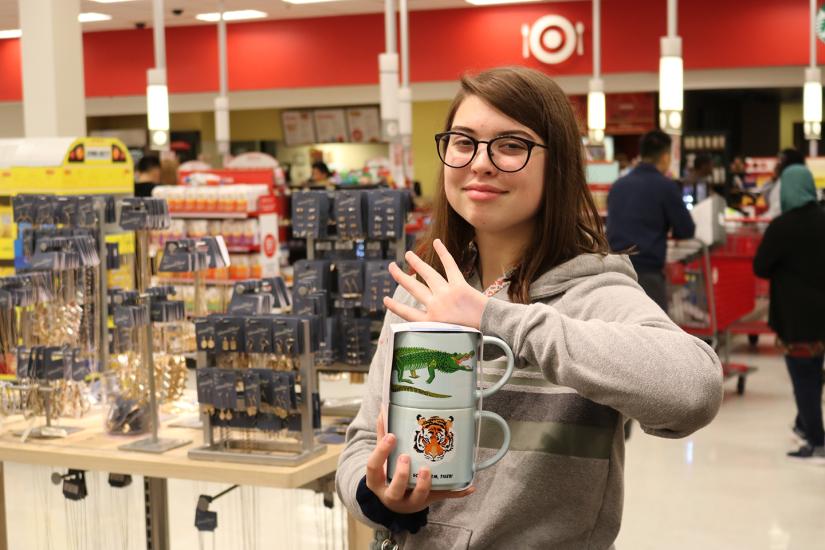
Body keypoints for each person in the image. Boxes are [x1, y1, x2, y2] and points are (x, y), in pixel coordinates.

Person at [336, 67, 723, 549]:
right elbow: (360, 445)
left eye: (511, 146)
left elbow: (695, 390)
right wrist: (378, 498)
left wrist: (492, 318)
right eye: (463, 142)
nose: (480, 164)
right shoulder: (425, 288)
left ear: (556, 165)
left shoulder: (594, 294)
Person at [753, 165, 825, 461]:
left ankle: (817, 441)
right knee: (814, 374)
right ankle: (803, 424)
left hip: (796, 317)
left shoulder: (781, 226)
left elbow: (761, 267)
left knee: (803, 379)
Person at [606, 130, 695, 312]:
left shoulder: (618, 185)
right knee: (654, 333)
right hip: (647, 274)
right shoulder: (666, 186)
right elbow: (686, 229)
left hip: (613, 273)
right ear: (664, 157)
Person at [763, 148, 805, 218]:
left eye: (780, 161)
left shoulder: (785, 184)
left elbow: (776, 213)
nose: (776, 165)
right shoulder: (779, 182)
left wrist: (757, 223)